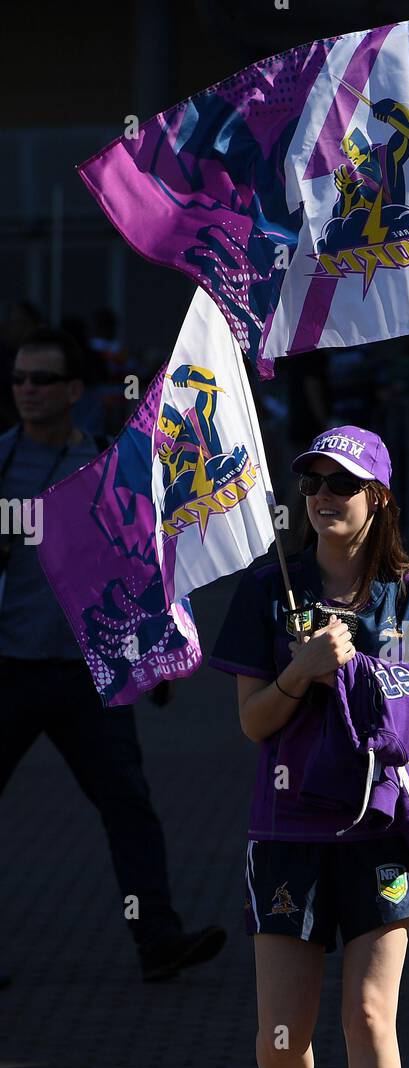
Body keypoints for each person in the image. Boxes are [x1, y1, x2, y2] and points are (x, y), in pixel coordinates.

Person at [210, 425, 409, 1068]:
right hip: (288, 831)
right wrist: (302, 670)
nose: (324, 494)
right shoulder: (266, 589)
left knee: (367, 1013)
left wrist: (368, 677)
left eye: (343, 483)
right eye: (313, 480)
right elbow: (253, 723)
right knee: (282, 1036)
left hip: (386, 829)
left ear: (378, 497)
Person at [0, 328, 226, 983]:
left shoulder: (105, 466)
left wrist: (154, 657)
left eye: (41, 380)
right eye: (18, 379)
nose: (27, 390)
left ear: (74, 390)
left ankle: (158, 938)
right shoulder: (1, 462)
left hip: (86, 678)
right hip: (8, 671)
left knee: (128, 804)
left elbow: (140, 568)